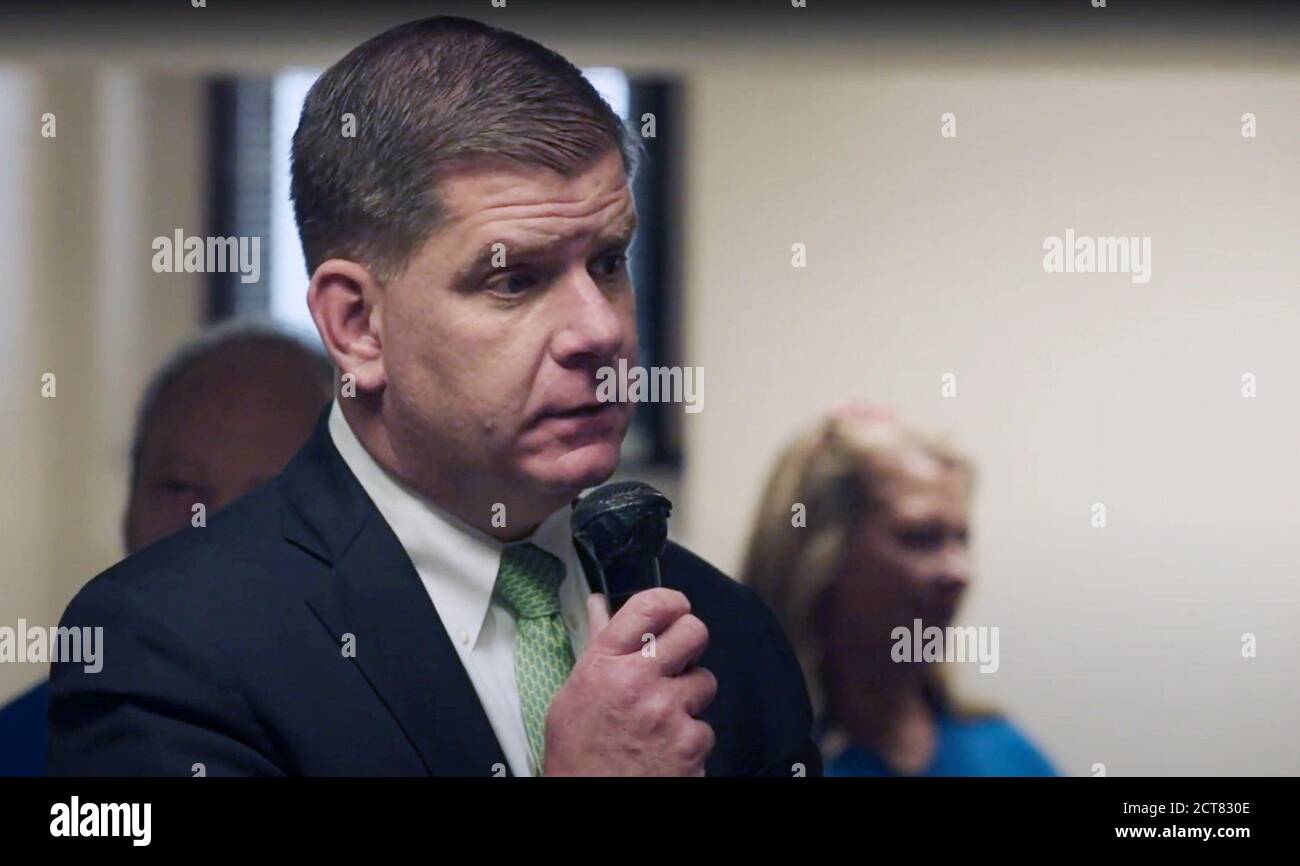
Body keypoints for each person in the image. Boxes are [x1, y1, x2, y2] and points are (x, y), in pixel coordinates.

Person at [48, 16, 819, 777]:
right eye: (515, 278)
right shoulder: (170, 644)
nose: (599, 330)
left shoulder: (727, 635)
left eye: (610, 262)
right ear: (357, 326)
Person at [0, 322, 331, 776]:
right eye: (181, 489)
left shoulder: (422, 736)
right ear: (128, 504)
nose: (213, 530)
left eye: (270, 497)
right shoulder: (25, 749)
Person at [741, 403, 1056, 776]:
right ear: (821, 558)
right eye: (921, 538)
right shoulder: (741, 759)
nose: (959, 572)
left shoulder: (1005, 753)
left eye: (961, 539)